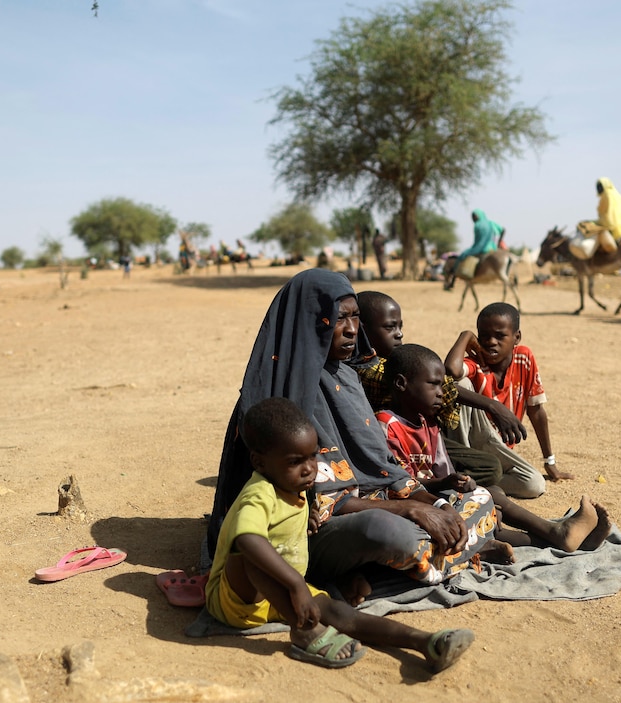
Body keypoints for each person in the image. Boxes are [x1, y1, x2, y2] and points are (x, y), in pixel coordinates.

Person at [207, 269, 499, 604]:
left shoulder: (347, 375)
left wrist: (436, 504)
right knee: (386, 531)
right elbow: (321, 500)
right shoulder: (279, 392)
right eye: (338, 318)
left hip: (379, 504)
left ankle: (422, 557)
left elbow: (385, 468)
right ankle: (440, 552)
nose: (350, 330)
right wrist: (409, 511)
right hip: (313, 527)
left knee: (480, 497)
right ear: (311, 320)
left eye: (355, 317)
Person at [206, 396, 476, 672]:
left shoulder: (294, 486)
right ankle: (305, 633)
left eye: (313, 455)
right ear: (259, 463)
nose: (310, 467)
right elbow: (247, 540)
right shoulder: (259, 493)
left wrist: (309, 524)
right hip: (236, 599)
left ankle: (425, 643)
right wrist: (297, 586)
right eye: (295, 461)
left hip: (282, 593)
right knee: (251, 554)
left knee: (338, 612)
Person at [378, 345, 611, 553]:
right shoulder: (388, 425)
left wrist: (459, 483)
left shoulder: (428, 423)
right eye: (433, 384)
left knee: (494, 494)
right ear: (401, 383)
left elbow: (443, 472)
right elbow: (401, 488)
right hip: (415, 506)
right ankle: (555, 537)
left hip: (436, 497)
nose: (441, 392)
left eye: (442, 385)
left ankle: (559, 537)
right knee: (486, 502)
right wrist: (450, 486)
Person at [353, 291, 529, 490]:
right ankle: (444, 486)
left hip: (423, 435)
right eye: (390, 327)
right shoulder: (369, 369)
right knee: (490, 471)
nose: (399, 333)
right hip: (406, 441)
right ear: (362, 331)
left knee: (493, 471)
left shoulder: (385, 360)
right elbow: (448, 380)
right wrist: (493, 406)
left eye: (400, 326)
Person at [444, 303, 574, 499]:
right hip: (471, 440)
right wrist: (466, 335)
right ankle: (457, 471)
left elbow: (536, 411)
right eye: (484, 336)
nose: (491, 342)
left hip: (496, 446)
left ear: (517, 337)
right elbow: (451, 370)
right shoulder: (477, 363)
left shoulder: (524, 358)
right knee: (460, 383)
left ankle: (474, 481)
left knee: (534, 484)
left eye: (500, 336)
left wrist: (550, 461)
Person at [446, 209, 503, 290]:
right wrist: (499, 242)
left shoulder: (478, 225)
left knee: (463, 255)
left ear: (478, 216)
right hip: (492, 247)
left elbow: (477, 241)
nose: (473, 219)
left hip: (481, 248)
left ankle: (461, 278)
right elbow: (502, 230)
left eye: (474, 217)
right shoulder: (491, 223)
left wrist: (474, 248)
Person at [594, 177, 621, 253]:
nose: (598, 189)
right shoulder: (617, 194)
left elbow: (603, 211)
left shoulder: (606, 195)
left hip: (610, 224)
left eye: (600, 186)